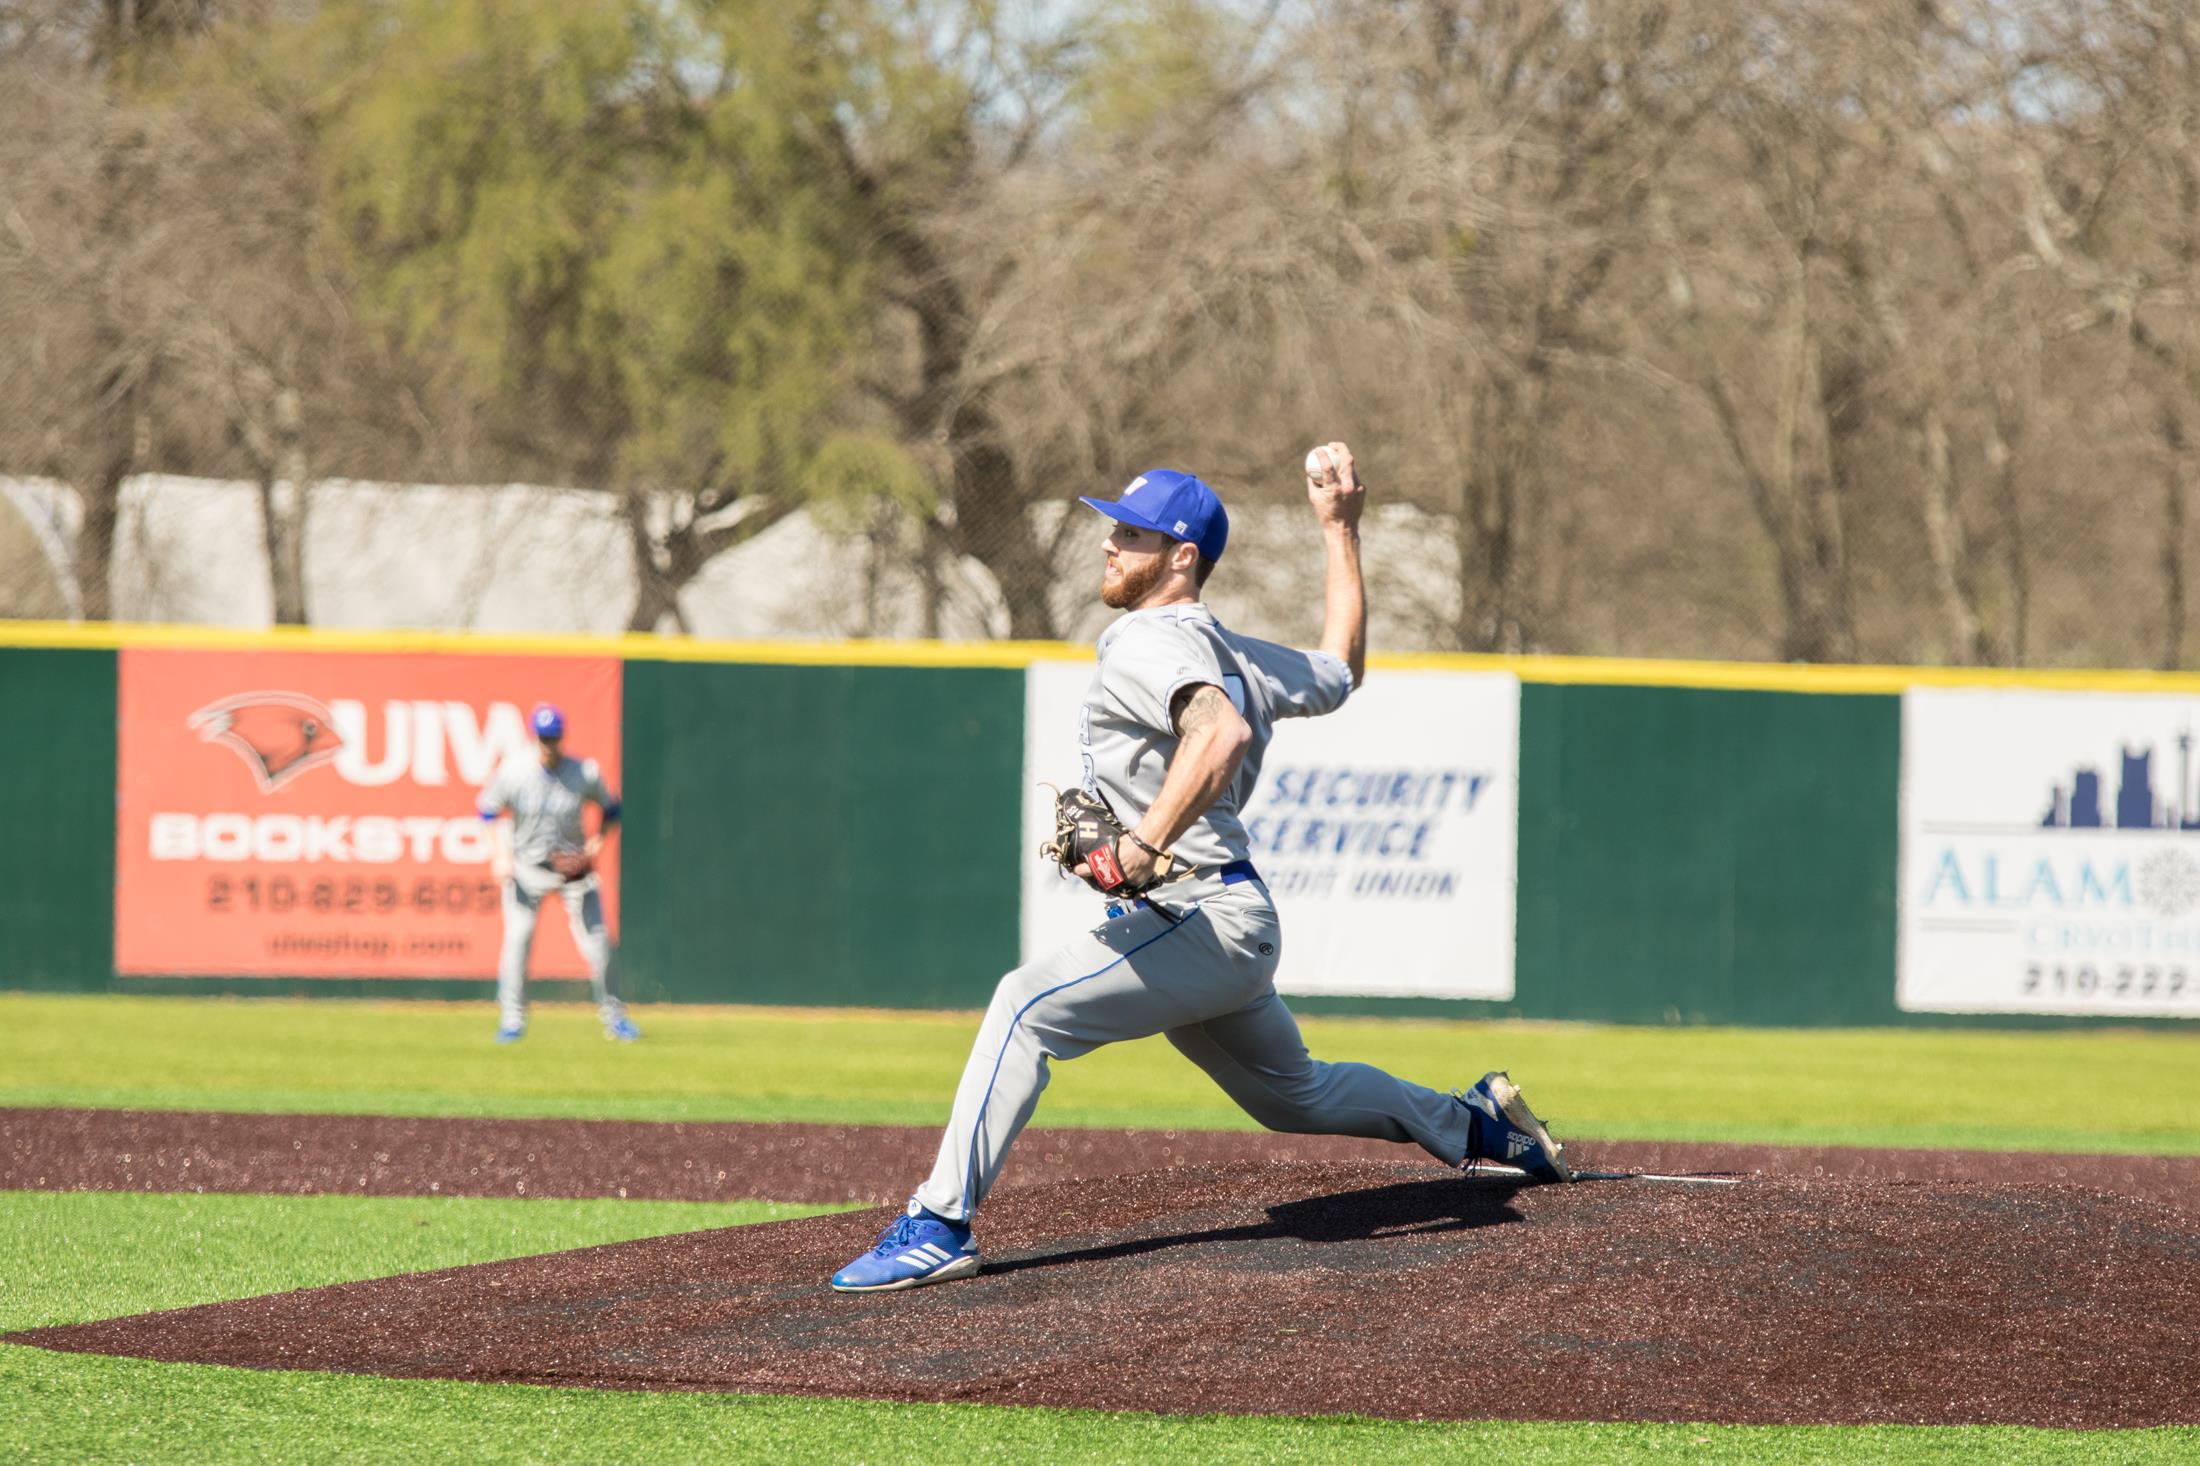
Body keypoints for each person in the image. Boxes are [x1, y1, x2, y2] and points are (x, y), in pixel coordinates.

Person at [830, 443, 1570, 1293]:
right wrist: (1340, 531)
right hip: (1226, 920)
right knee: (1296, 1097)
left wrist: (1144, 841)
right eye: (1113, 527)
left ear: (1182, 557)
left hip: (1198, 916)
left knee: (1022, 1007)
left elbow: (1218, 733)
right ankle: (1477, 1127)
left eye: (1134, 534)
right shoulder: (1232, 649)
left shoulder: (1146, 638)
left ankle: (939, 1223)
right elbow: (1340, 672)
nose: (1111, 543)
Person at [476, 703, 637, 1044]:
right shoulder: (515, 770)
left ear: (562, 737)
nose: (549, 744)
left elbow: (612, 809)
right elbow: (488, 811)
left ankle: (615, 1018)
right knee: (517, 942)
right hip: (527, 869)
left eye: (553, 737)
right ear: (536, 737)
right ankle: (512, 1021)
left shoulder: (584, 773)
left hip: (573, 872)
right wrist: (499, 856)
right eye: (543, 738)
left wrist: (598, 842)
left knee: (599, 946)